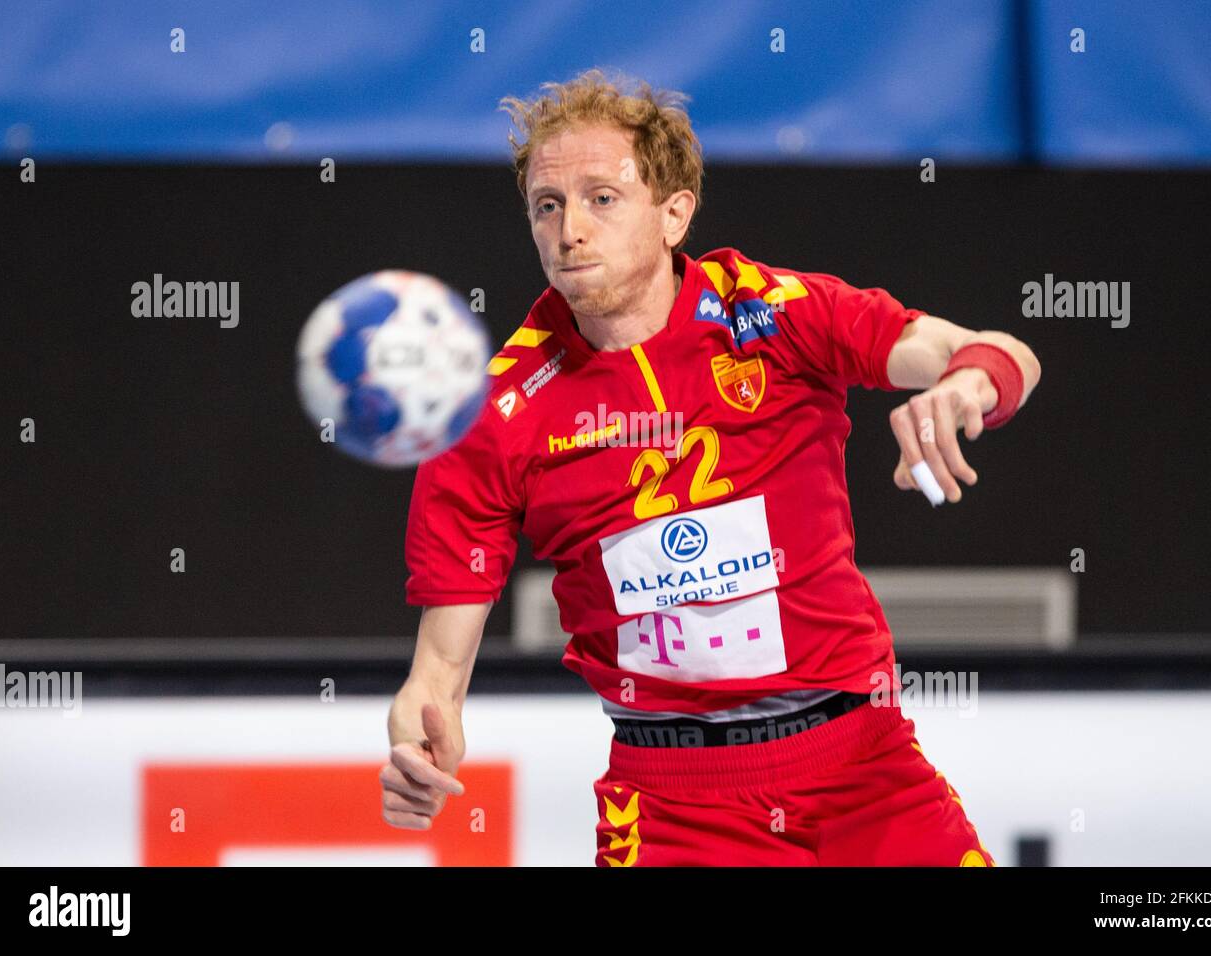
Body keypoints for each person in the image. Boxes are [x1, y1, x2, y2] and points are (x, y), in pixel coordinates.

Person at [381, 68, 1041, 866]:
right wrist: (422, 735)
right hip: (671, 803)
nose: (569, 231)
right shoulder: (491, 416)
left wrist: (966, 385)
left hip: (862, 770)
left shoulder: (774, 314)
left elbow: (1000, 354)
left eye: (602, 198)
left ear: (673, 213)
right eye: (547, 207)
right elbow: (437, 673)